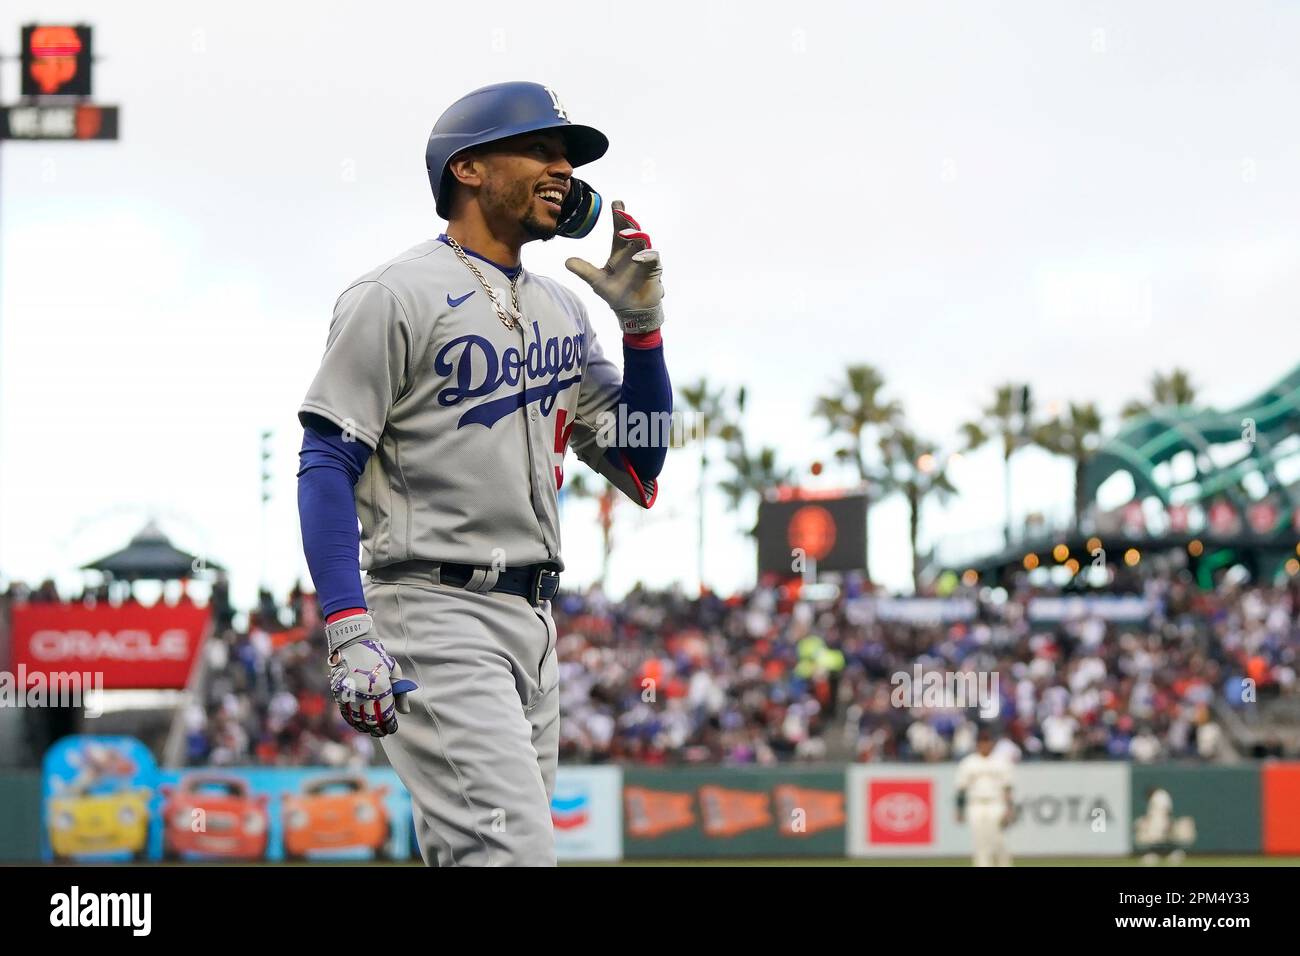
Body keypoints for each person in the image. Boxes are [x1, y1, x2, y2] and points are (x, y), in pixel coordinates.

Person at [295, 81, 672, 866]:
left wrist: (643, 334)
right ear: (468, 168)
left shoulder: (564, 308)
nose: (562, 167)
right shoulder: (393, 293)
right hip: (433, 609)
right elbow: (328, 457)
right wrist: (346, 625)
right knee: (515, 857)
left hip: (534, 621)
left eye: (567, 156)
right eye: (540, 148)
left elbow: (639, 458)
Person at [955, 727, 1014, 866]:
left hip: (996, 803)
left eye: (987, 742)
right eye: (982, 742)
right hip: (975, 804)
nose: (985, 745)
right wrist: (959, 809)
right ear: (977, 744)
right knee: (980, 841)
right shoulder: (968, 762)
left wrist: (1009, 808)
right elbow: (961, 788)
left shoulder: (1000, 761)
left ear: (992, 743)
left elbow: (1007, 788)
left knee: (998, 840)